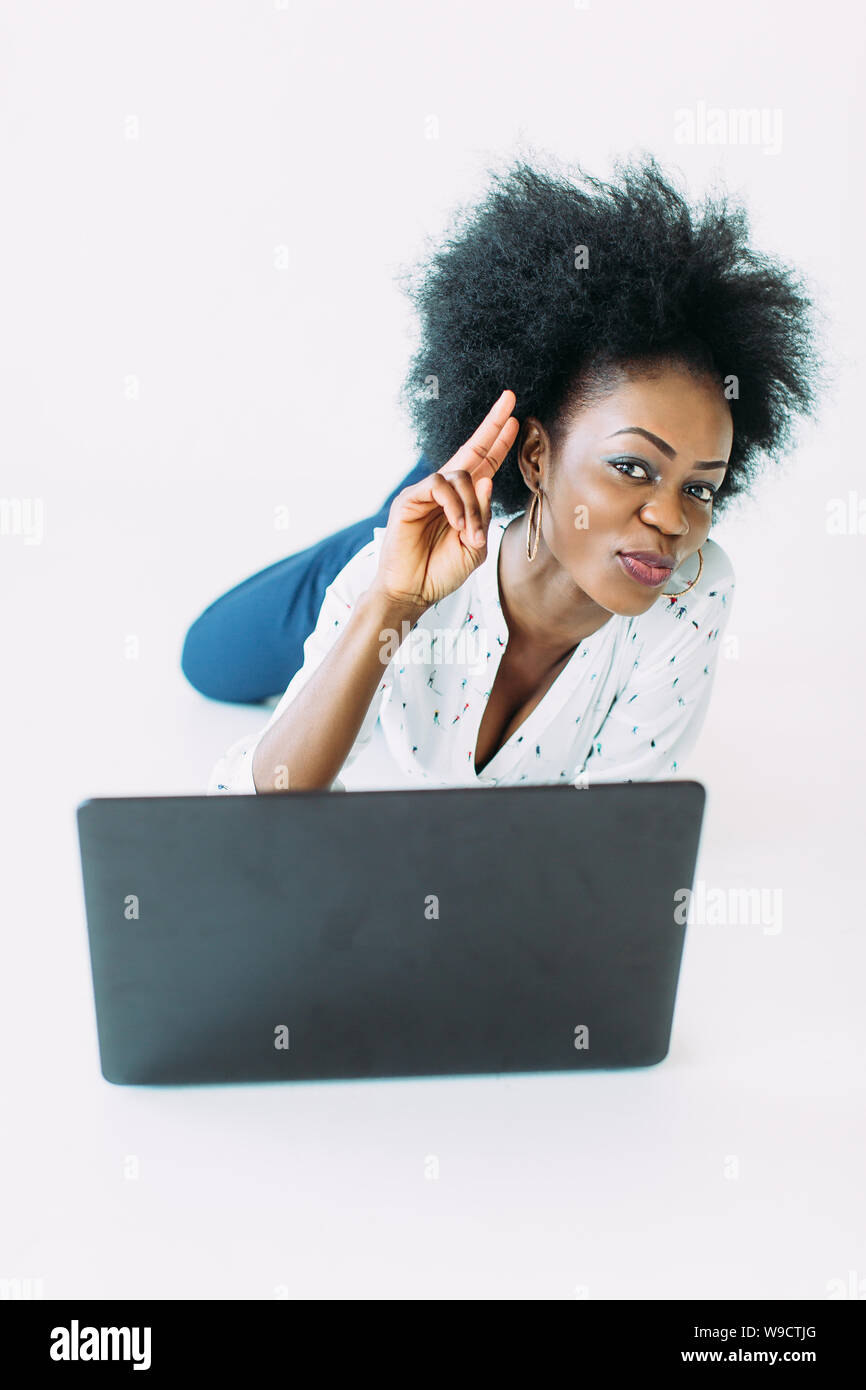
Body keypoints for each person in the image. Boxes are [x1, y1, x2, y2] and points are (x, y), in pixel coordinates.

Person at [187, 153, 820, 793]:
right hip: (452, 535)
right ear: (537, 455)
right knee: (208, 662)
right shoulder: (401, 574)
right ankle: (443, 472)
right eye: (632, 466)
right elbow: (264, 806)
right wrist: (389, 602)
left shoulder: (693, 591)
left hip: (520, 503)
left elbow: (623, 834)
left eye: (699, 487)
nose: (671, 519)